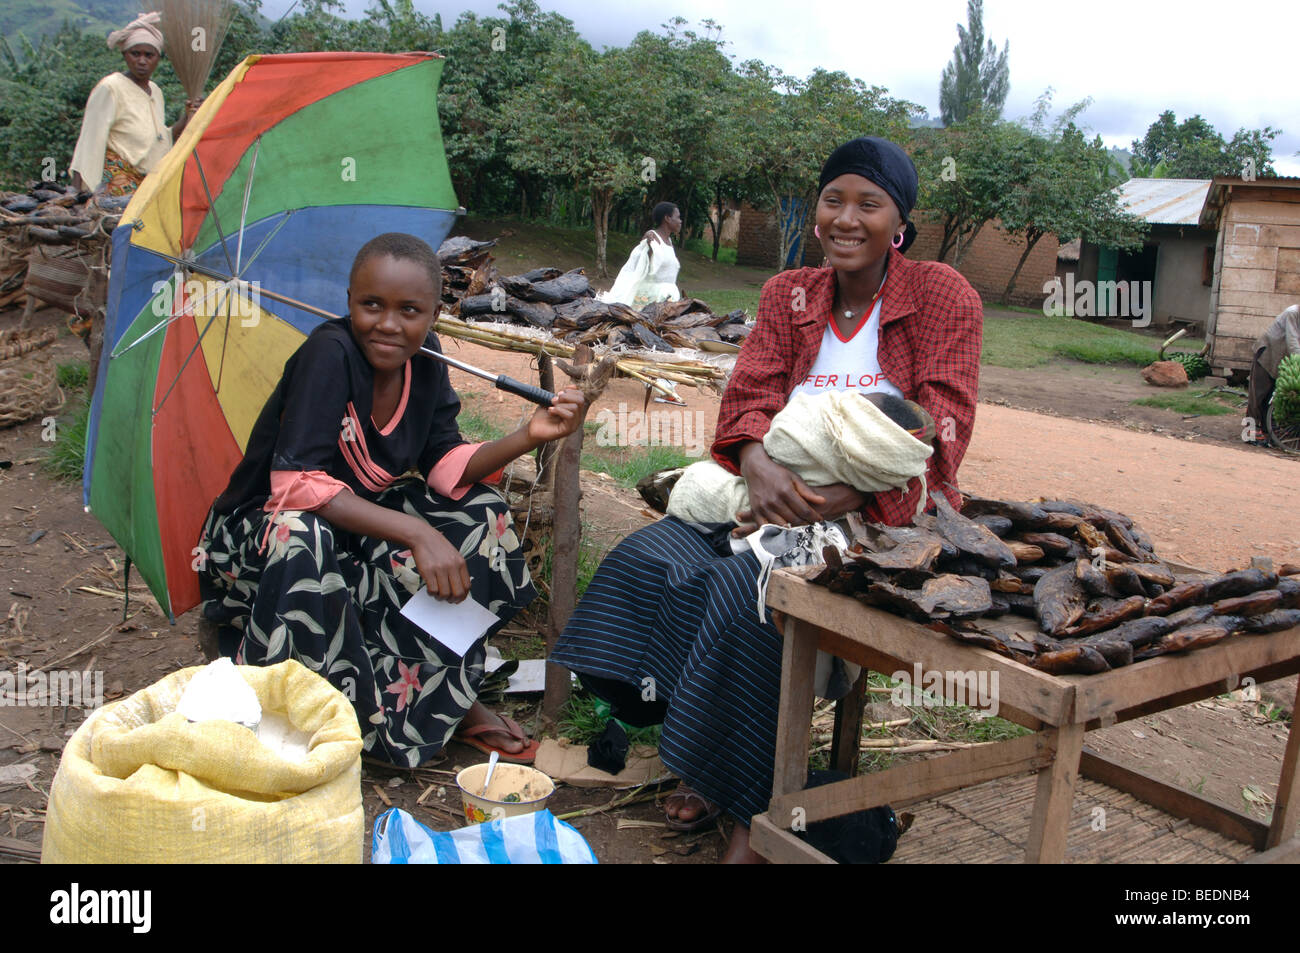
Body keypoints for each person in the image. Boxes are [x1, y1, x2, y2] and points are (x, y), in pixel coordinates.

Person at [551, 137, 983, 862]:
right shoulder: (791, 294)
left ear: (899, 221)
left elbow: (940, 429)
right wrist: (756, 466)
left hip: (877, 514)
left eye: (868, 204)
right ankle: (701, 751)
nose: (847, 218)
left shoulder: (942, 294)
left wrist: (831, 495)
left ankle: (749, 811)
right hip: (767, 494)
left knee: (744, 590)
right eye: (833, 200)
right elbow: (746, 396)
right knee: (647, 559)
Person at [197, 232, 586, 767]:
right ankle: (299, 721)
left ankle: (439, 698)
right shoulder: (327, 355)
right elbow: (295, 485)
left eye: (409, 310)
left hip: (347, 525)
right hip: (260, 537)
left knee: (479, 513)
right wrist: (417, 534)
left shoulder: (426, 361)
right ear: (349, 300)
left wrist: (529, 435)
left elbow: (444, 460)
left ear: (432, 313)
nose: (388, 324)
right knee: (304, 537)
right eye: (371, 305)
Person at [69, 12, 200, 197]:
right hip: (118, 181)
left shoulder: (155, 91)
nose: (142, 61)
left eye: (149, 55)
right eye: (135, 54)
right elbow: (89, 140)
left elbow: (161, 140)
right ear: (125, 55)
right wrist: (76, 193)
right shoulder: (111, 87)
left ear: (157, 59)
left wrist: (187, 116)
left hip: (148, 182)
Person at [600, 202, 682, 308]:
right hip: (653, 298)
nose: (680, 221)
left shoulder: (669, 242)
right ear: (667, 218)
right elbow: (637, 262)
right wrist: (646, 242)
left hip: (668, 296)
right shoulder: (652, 237)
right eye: (678, 217)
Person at [1245, 304, 1300, 445]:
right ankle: (1249, 431)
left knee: (1271, 395)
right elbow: (1292, 340)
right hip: (1268, 352)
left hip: (1281, 357)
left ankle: (1266, 431)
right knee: (1258, 394)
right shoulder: (1292, 313)